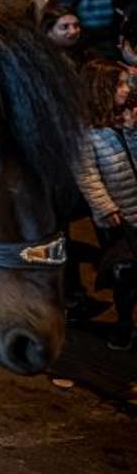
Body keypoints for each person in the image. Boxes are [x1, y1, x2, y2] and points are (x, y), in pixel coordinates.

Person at [73, 60, 137, 348]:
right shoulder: (86, 132)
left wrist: (132, 131)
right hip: (118, 214)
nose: (127, 89)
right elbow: (86, 174)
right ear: (102, 90)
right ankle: (124, 324)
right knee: (126, 272)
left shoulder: (125, 119)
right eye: (120, 84)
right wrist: (105, 207)